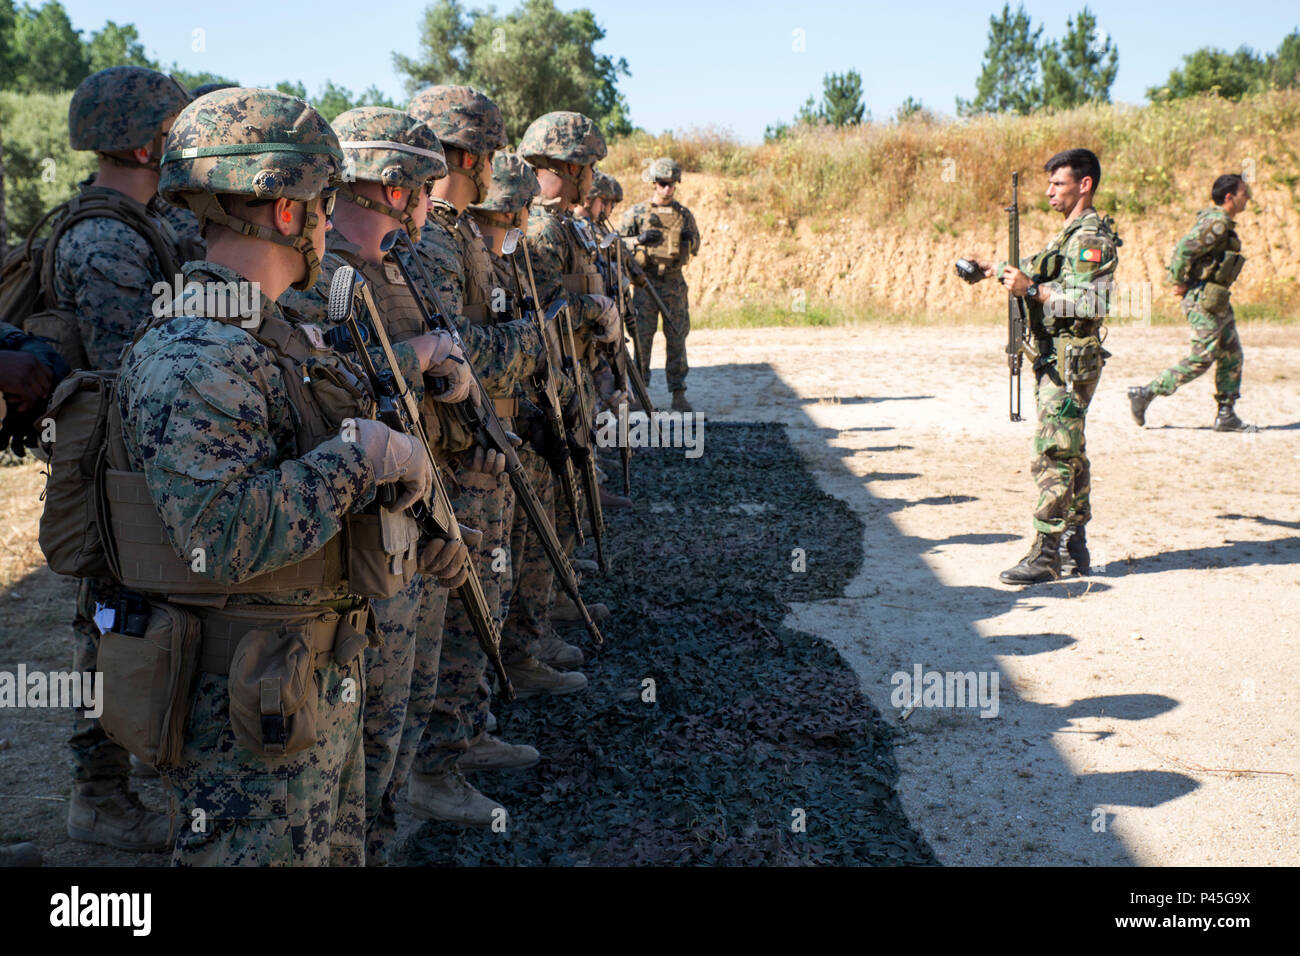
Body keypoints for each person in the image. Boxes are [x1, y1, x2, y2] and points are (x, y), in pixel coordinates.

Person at [115, 87, 455, 865]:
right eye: (324, 201)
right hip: (244, 713)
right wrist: (362, 456)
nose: (332, 220)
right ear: (285, 210)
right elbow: (220, 537)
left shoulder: (267, 330)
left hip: (303, 680)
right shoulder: (196, 352)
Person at [277, 105, 473, 862]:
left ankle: (382, 842)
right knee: (367, 728)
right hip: (358, 547)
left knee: (406, 706)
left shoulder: (390, 272)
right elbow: (321, 403)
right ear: (395, 188)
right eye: (424, 186)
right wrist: (416, 355)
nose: (431, 202)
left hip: (409, 525)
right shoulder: (315, 284)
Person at [406, 86, 576, 827]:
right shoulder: (436, 240)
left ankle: (463, 736)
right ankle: (438, 765)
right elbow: (455, 353)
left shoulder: (449, 234)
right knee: (459, 611)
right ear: (472, 156)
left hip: (480, 445)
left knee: (482, 602)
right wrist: (533, 343)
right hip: (454, 456)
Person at [45, 66, 193, 853]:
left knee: (127, 623)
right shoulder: (105, 239)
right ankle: (97, 795)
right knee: (106, 625)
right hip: (112, 469)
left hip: (129, 462)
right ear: (144, 142)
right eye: (175, 134)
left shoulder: (142, 219)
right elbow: (132, 361)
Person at [962, 148, 1119, 584]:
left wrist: (1033, 292)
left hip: (1071, 360)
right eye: (1049, 183)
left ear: (1084, 184)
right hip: (1057, 356)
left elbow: (1092, 301)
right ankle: (1073, 546)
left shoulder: (1090, 239)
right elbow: (1033, 270)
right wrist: (991, 269)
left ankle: (1046, 553)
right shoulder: (1066, 236)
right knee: (1072, 451)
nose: (1050, 191)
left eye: (1058, 183)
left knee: (1052, 453)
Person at [1128, 174, 1254, 432]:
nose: (1247, 197)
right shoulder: (1216, 224)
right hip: (1202, 299)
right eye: (1243, 192)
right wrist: (1178, 281)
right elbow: (1185, 249)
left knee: (1231, 354)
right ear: (1229, 197)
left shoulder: (1222, 223)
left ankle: (1226, 414)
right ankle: (1146, 392)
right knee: (1202, 357)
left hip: (1215, 298)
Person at [619, 157, 700, 412]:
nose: (667, 189)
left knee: (677, 337)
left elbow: (696, 245)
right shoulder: (636, 213)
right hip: (646, 283)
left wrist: (687, 241)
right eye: (663, 183)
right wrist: (638, 240)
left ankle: (678, 392)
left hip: (674, 283)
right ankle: (639, 393)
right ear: (654, 183)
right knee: (642, 339)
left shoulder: (684, 215)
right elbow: (617, 243)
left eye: (672, 184)